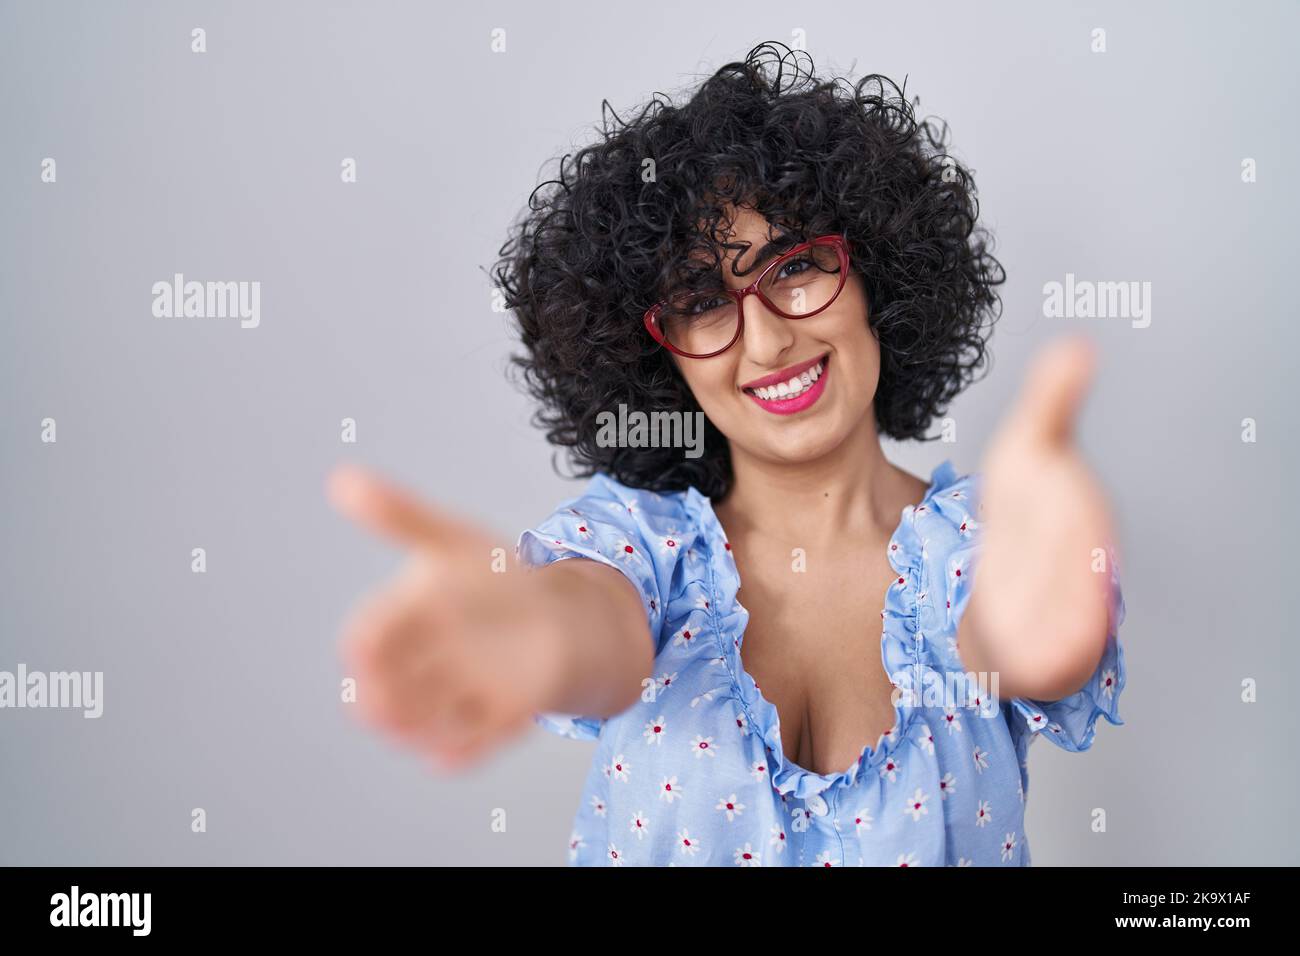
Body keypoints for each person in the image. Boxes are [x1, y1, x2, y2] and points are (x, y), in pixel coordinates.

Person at [328, 42, 1127, 866]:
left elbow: (1006, 635)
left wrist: (1034, 635)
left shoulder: (979, 546)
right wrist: (528, 635)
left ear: (875, 279)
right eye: (703, 302)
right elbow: (589, 630)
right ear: (656, 353)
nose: (770, 338)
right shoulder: (639, 552)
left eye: (797, 267)